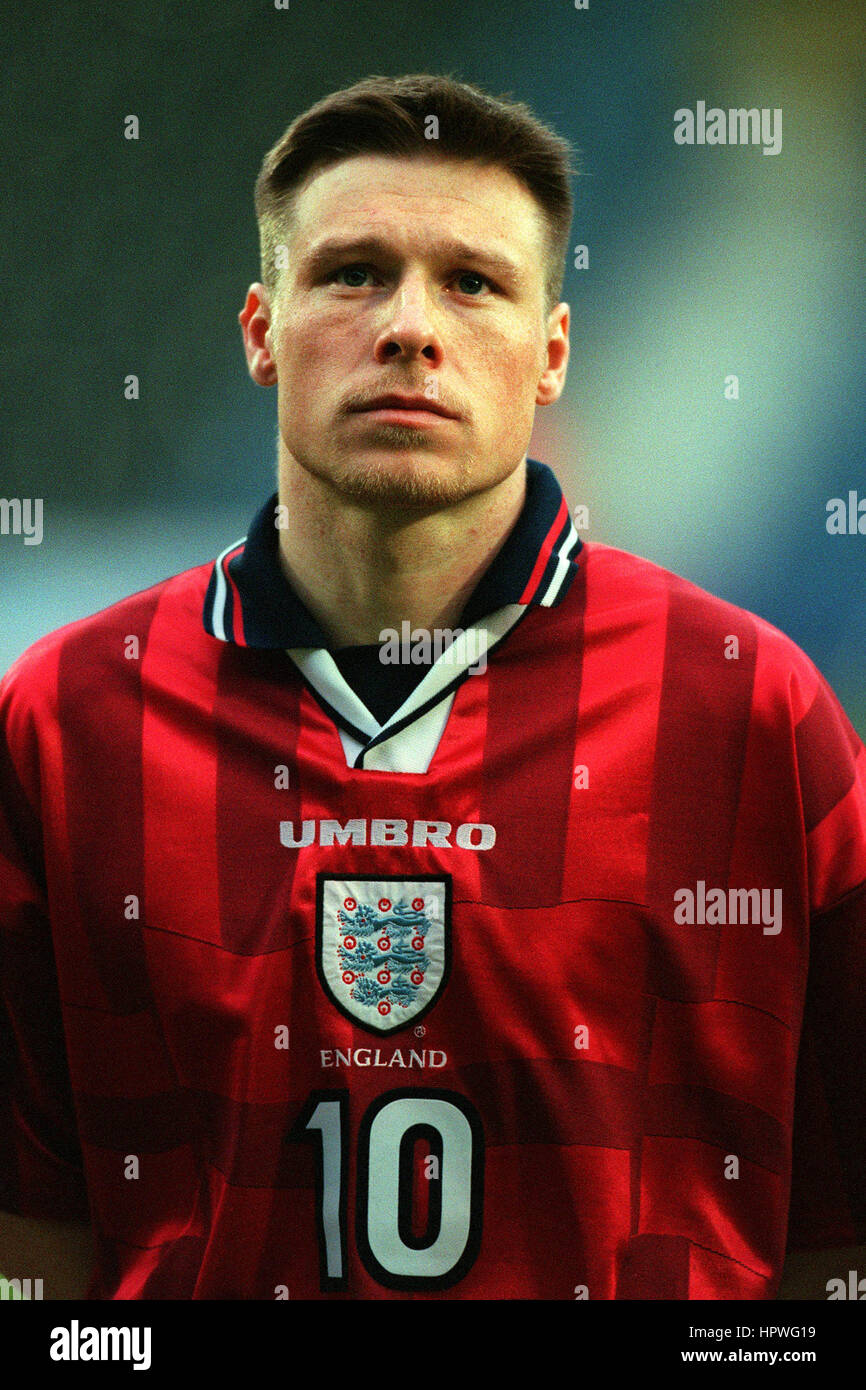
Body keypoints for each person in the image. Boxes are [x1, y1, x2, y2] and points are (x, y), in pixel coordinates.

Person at [1, 72, 864, 1301]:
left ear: (549, 354)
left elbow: (833, 1240)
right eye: (351, 273)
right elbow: (36, 1245)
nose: (408, 326)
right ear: (259, 329)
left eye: (471, 282)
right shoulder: (71, 718)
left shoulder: (744, 711)